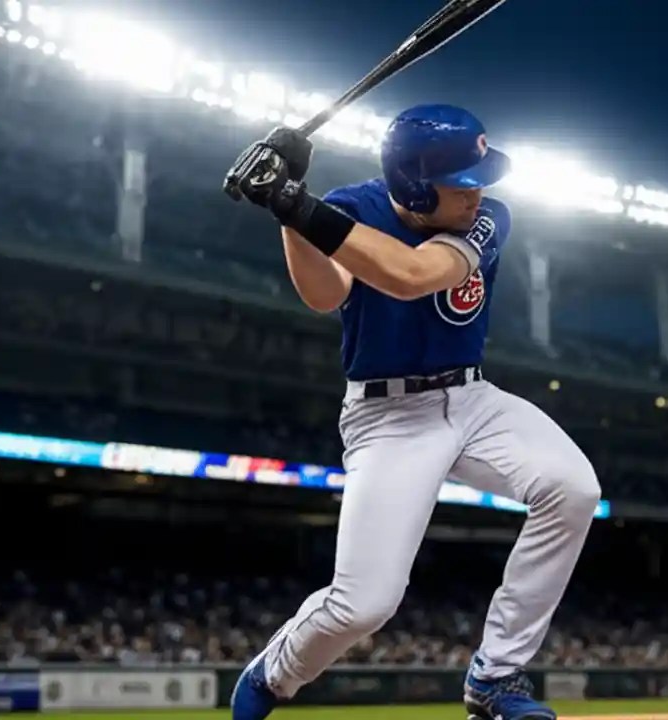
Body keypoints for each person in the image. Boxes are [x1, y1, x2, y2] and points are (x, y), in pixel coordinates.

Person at [222, 104, 602, 720]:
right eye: (464, 184)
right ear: (417, 185)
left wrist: (297, 203)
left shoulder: (489, 220)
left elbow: (412, 275)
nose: (480, 194)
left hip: (474, 399)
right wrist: (287, 212)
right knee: (365, 604)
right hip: (387, 417)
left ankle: (496, 676)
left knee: (573, 490)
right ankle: (277, 668)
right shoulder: (352, 207)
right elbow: (325, 295)